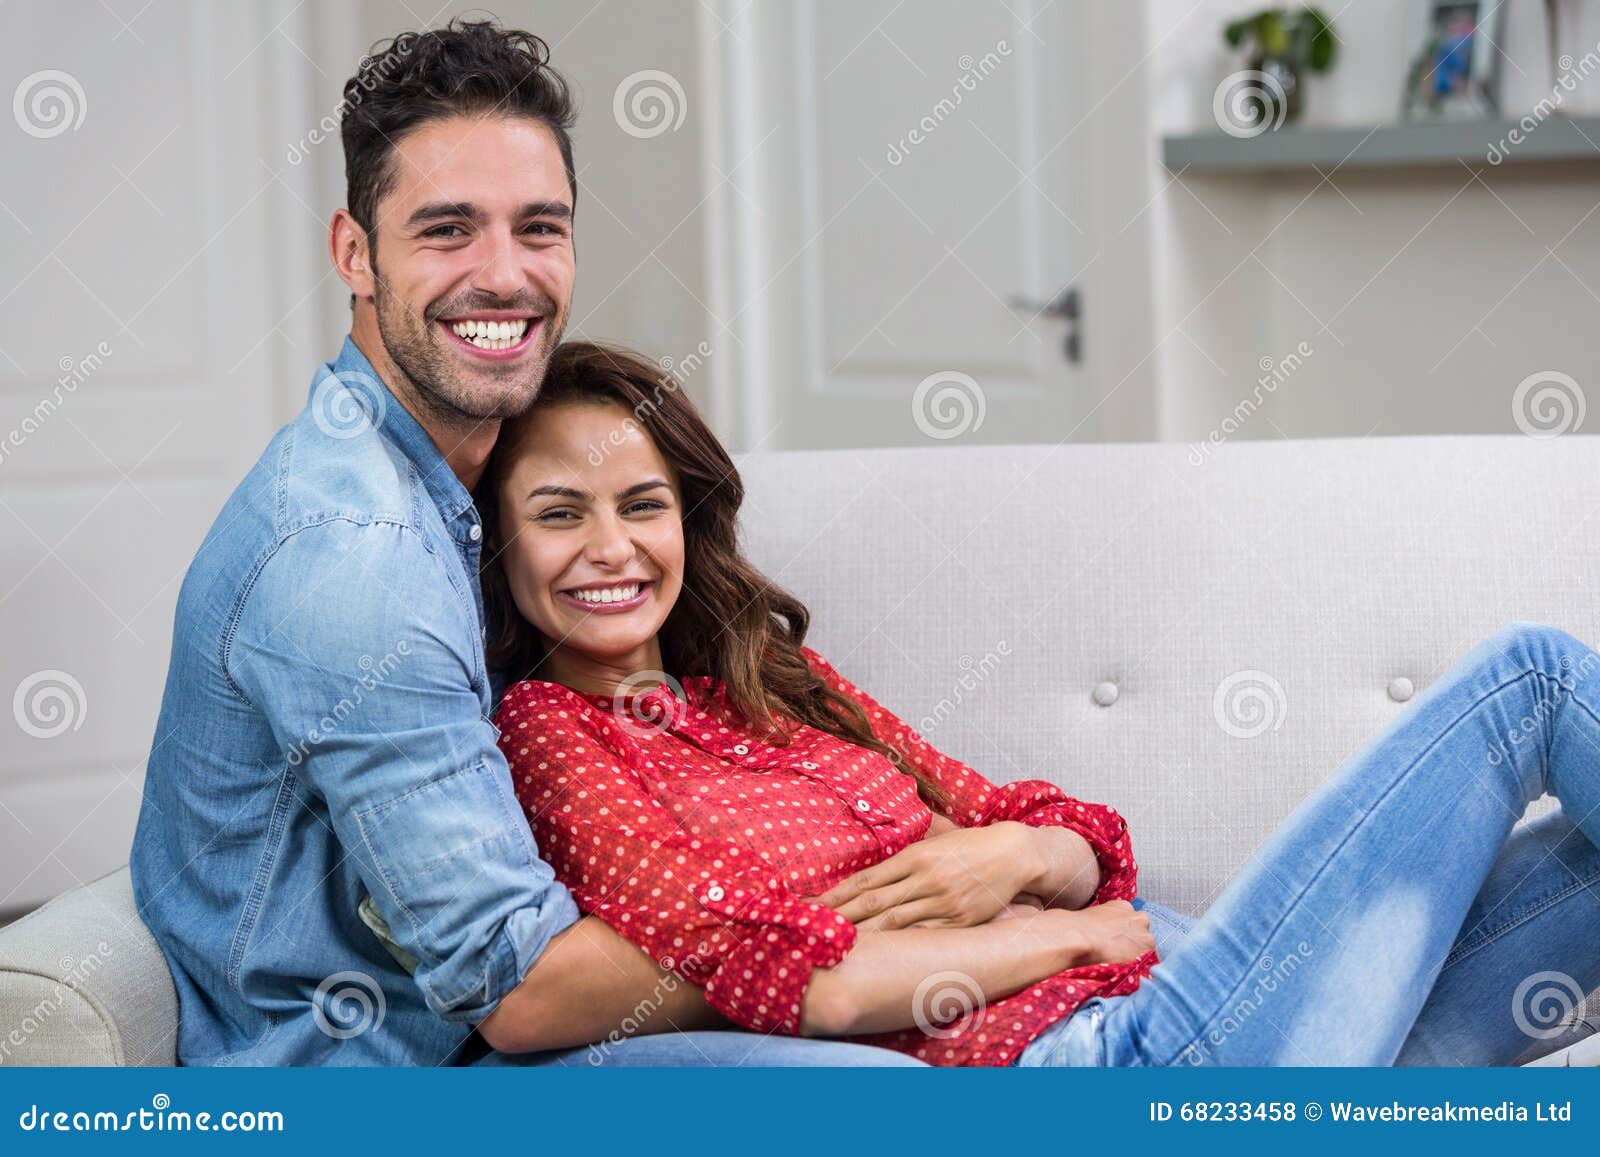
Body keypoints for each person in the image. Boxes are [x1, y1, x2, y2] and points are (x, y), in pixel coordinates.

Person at [128, 19, 917, 1068]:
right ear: (353, 254)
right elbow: (521, 985)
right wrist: (885, 925)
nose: (503, 276)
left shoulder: (473, 483)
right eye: (447, 229)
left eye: (539, 227)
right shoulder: (357, 558)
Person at [476, 339, 1600, 1066]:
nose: (611, 547)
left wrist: (1009, 856)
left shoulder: (771, 687)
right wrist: (1059, 934)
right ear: (501, 539)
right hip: (1112, 1050)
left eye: (642, 504)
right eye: (561, 512)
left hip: (1201, 983)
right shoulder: (548, 732)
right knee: (1531, 677)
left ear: (688, 519)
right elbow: (802, 981)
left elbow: (1061, 831)